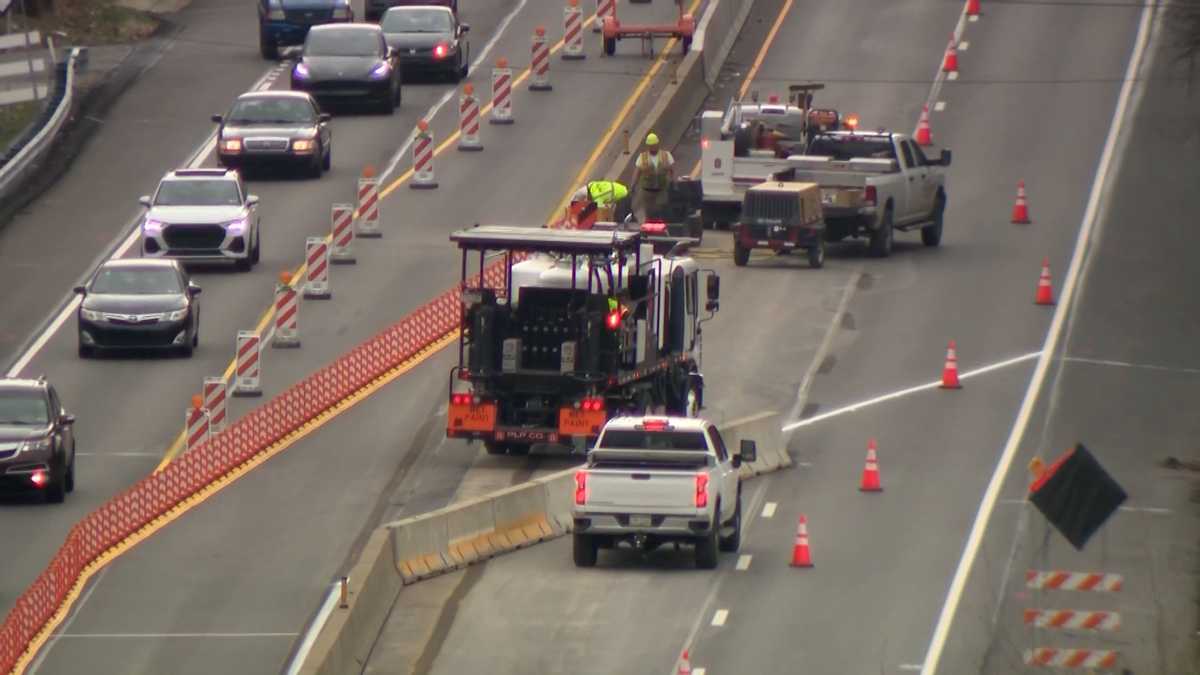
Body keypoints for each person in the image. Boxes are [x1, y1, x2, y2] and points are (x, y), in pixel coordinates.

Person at [632, 132, 675, 222]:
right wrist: (633, 186)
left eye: (654, 145)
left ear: (657, 144)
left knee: (661, 210)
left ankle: (661, 229)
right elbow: (637, 172)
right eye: (650, 145)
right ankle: (649, 230)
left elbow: (671, 170)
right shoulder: (642, 157)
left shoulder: (666, 155)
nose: (652, 147)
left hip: (662, 189)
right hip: (647, 191)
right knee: (649, 212)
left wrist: (673, 183)